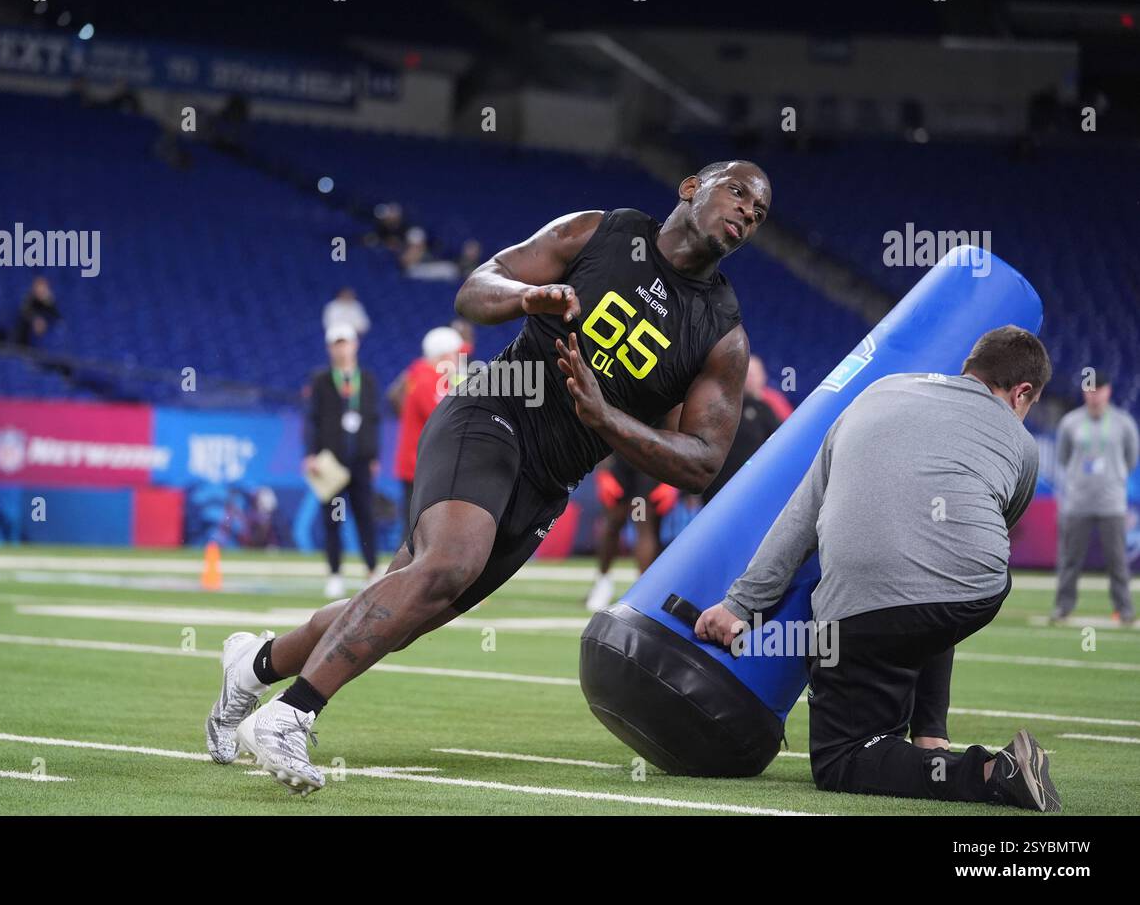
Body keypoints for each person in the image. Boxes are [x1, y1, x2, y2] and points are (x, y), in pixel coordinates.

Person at [206, 160, 771, 794]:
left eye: (760, 211)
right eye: (738, 191)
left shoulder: (722, 333)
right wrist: (524, 298)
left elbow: (702, 461)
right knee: (448, 565)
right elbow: (478, 285)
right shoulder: (603, 232)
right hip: (494, 410)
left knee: (409, 607)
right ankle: (290, 715)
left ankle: (252, 666)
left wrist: (605, 418)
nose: (749, 210)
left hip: (549, 481)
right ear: (691, 187)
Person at [696, 326, 1061, 811]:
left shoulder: (878, 391)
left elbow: (802, 514)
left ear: (969, 368)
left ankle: (992, 772)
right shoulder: (1022, 443)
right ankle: (931, 735)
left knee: (842, 758)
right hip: (976, 591)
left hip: (862, 610)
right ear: (1022, 393)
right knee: (942, 574)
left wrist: (740, 605)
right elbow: (977, 535)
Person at [301, 325, 381, 600]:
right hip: (330, 460)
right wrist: (310, 453)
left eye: (345, 342)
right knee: (332, 520)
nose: (341, 348)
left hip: (360, 459)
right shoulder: (321, 380)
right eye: (336, 343)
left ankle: (372, 572)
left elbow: (373, 420)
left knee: (365, 518)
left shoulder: (367, 380)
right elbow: (312, 419)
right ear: (329, 348)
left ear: (355, 345)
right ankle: (335, 574)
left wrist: (373, 455)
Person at [1052, 372, 1138, 624]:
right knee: (1069, 559)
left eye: (1098, 389)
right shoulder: (1070, 422)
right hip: (1077, 502)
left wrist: (1113, 478)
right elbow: (1064, 457)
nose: (1093, 394)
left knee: (1117, 560)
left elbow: (1131, 458)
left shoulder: (1123, 422)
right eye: (1089, 389)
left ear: (1107, 391)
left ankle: (1124, 610)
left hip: (1112, 502)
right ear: (1083, 392)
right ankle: (1062, 607)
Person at [585, 449, 678, 612]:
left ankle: (641, 590)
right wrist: (603, 470)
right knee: (616, 523)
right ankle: (605, 583)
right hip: (628, 458)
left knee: (639, 525)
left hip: (644, 461)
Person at [393, 326, 463, 526]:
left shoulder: (422, 376)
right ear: (443, 355)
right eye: (456, 353)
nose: (459, 359)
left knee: (419, 525)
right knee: (417, 527)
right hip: (421, 464)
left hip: (422, 463)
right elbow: (444, 419)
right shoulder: (428, 380)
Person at [12, 276, 60, 345]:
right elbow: (25, 313)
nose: (41, 291)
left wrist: (49, 303)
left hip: (45, 340)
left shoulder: (50, 304)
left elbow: (56, 318)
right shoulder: (28, 301)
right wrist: (35, 320)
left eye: (43, 288)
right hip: (26, 340)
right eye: (39, 287)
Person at [747, 355, 793, 421]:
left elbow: (790, 423)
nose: (750, 379)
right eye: (747, 375)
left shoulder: (775, 399)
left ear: (763, 376)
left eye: (752, 375)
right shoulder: (735, 402)